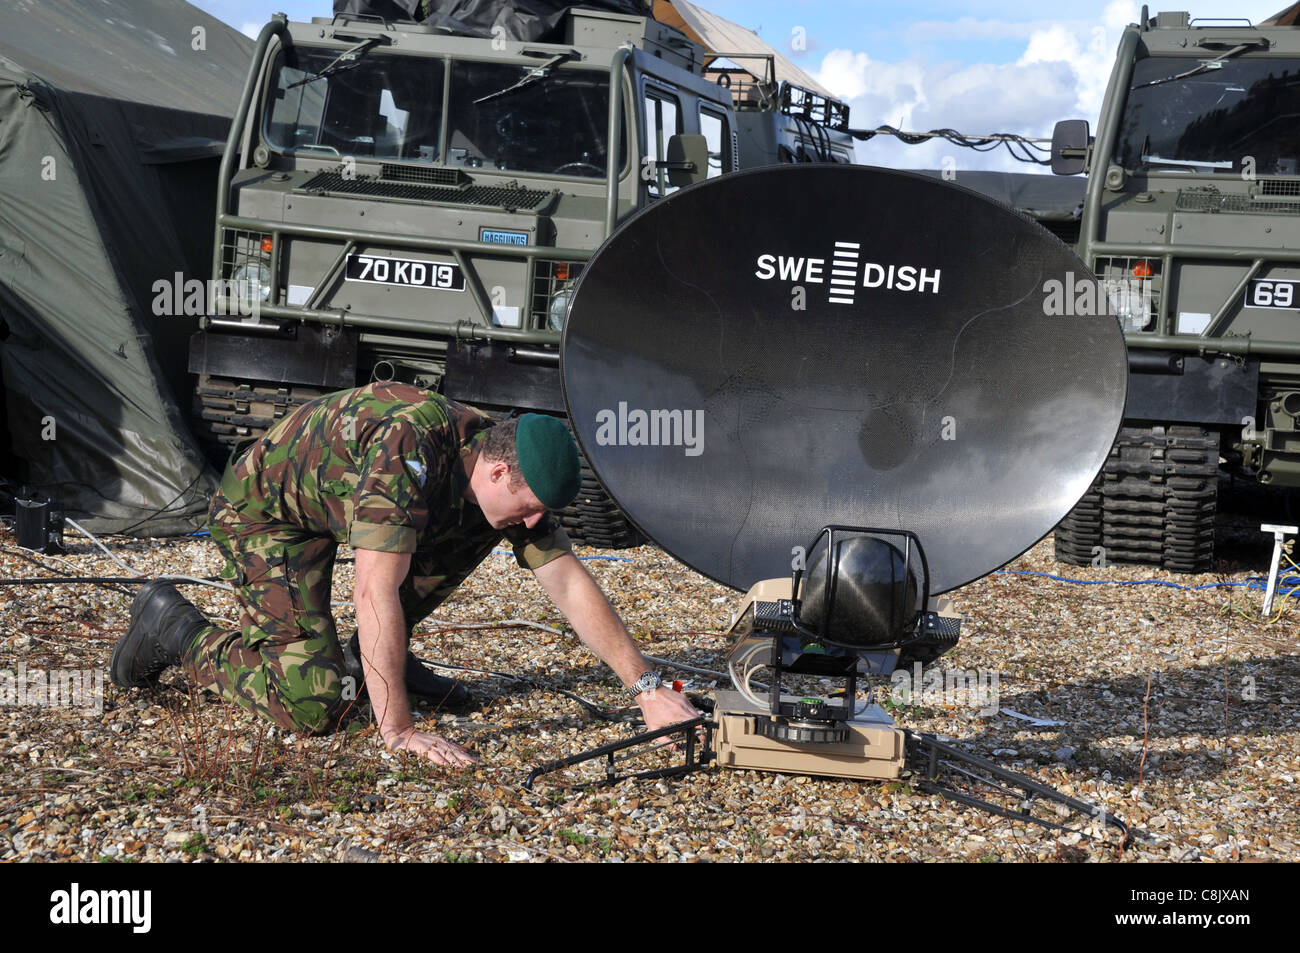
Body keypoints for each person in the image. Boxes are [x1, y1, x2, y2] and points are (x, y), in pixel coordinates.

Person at [110, 382, 699, 765]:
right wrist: (399, 731)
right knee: (313, 703)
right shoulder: (410, 449)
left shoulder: (497, 458)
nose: (537, 520)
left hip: (343, 503)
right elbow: (374, 587)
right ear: (498, 472)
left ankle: (374, 660)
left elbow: (568, 579)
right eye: (531, 505)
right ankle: (175, 627)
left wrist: (647, 689)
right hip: (267, 516)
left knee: (483, 526)